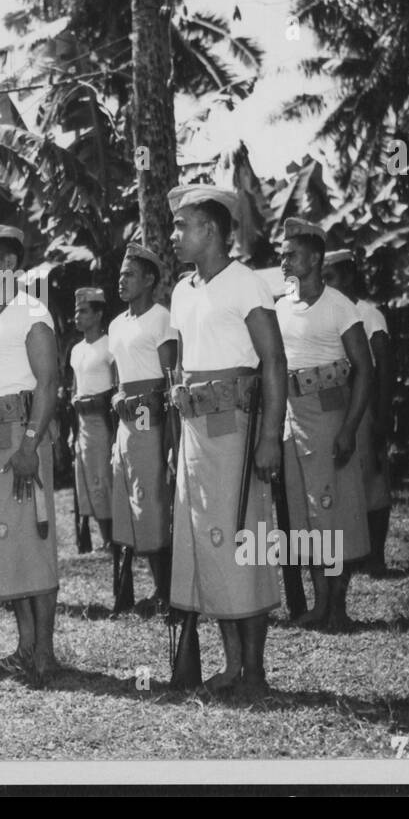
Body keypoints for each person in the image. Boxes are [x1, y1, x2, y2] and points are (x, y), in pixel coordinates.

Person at [167, 187, 286, 698]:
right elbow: (180, 366)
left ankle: (255, 671)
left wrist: (270, 439)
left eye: (182, 225)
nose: (175, 236)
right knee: (208, 548)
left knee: (242, 542)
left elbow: (274, 362)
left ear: (210, 230)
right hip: (194, 431)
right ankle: (232, 664)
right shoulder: (182, 290)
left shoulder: (247, 284)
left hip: (235, 429)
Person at [0, 224, 60, 684]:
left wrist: (29, 444)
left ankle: (44, 651)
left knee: (33, 543)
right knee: (7, 545)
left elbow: (48, 383)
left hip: (24, 439)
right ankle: (24, 645)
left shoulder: (30, 311)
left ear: (6, 265)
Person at [276, 218, 374, 631]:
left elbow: (365, 369)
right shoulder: (280, 308)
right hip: (291, 418)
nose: (284, 262)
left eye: (291, 255)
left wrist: (350, 428)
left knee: (334, 512)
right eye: (282, 255)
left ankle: (338, 604)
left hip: (330, 416)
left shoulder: (339, 305)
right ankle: (319, 603)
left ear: (315, 259)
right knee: (304, 515)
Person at [108, 243, 177, 614]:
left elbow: (170, 378)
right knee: (129, 506)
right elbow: (118, 376)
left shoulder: (160, 318)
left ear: (149, 279)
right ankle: (145, 590)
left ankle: (167, 591)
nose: (122, 280)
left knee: (152, 503)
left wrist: (164, 430)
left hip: (150, 419)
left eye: (129, 274)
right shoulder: (117, 324)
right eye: (120, 274)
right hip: (124, 424)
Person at [323, 248, 393, 574]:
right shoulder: (325, 311)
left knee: (372, 482)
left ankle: (376, 555)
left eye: (331, 277)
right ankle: (354, 552)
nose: (326, 284)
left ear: (349, 276)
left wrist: (381, 416)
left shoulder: (367, 313)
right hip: (338, 405)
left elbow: (383, 368)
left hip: (364, 406)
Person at [68, 287, 117, 573]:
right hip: (82, 422)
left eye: (84, 311)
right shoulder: (76, 349)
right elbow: (75, 387)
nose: (78, 316)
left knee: (103, 480)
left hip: (102, 421)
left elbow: (116, 384)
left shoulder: (109, 345)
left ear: (98, 314)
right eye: (76, 311)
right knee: (86, 481)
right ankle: (103, 537)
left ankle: (114, 538)